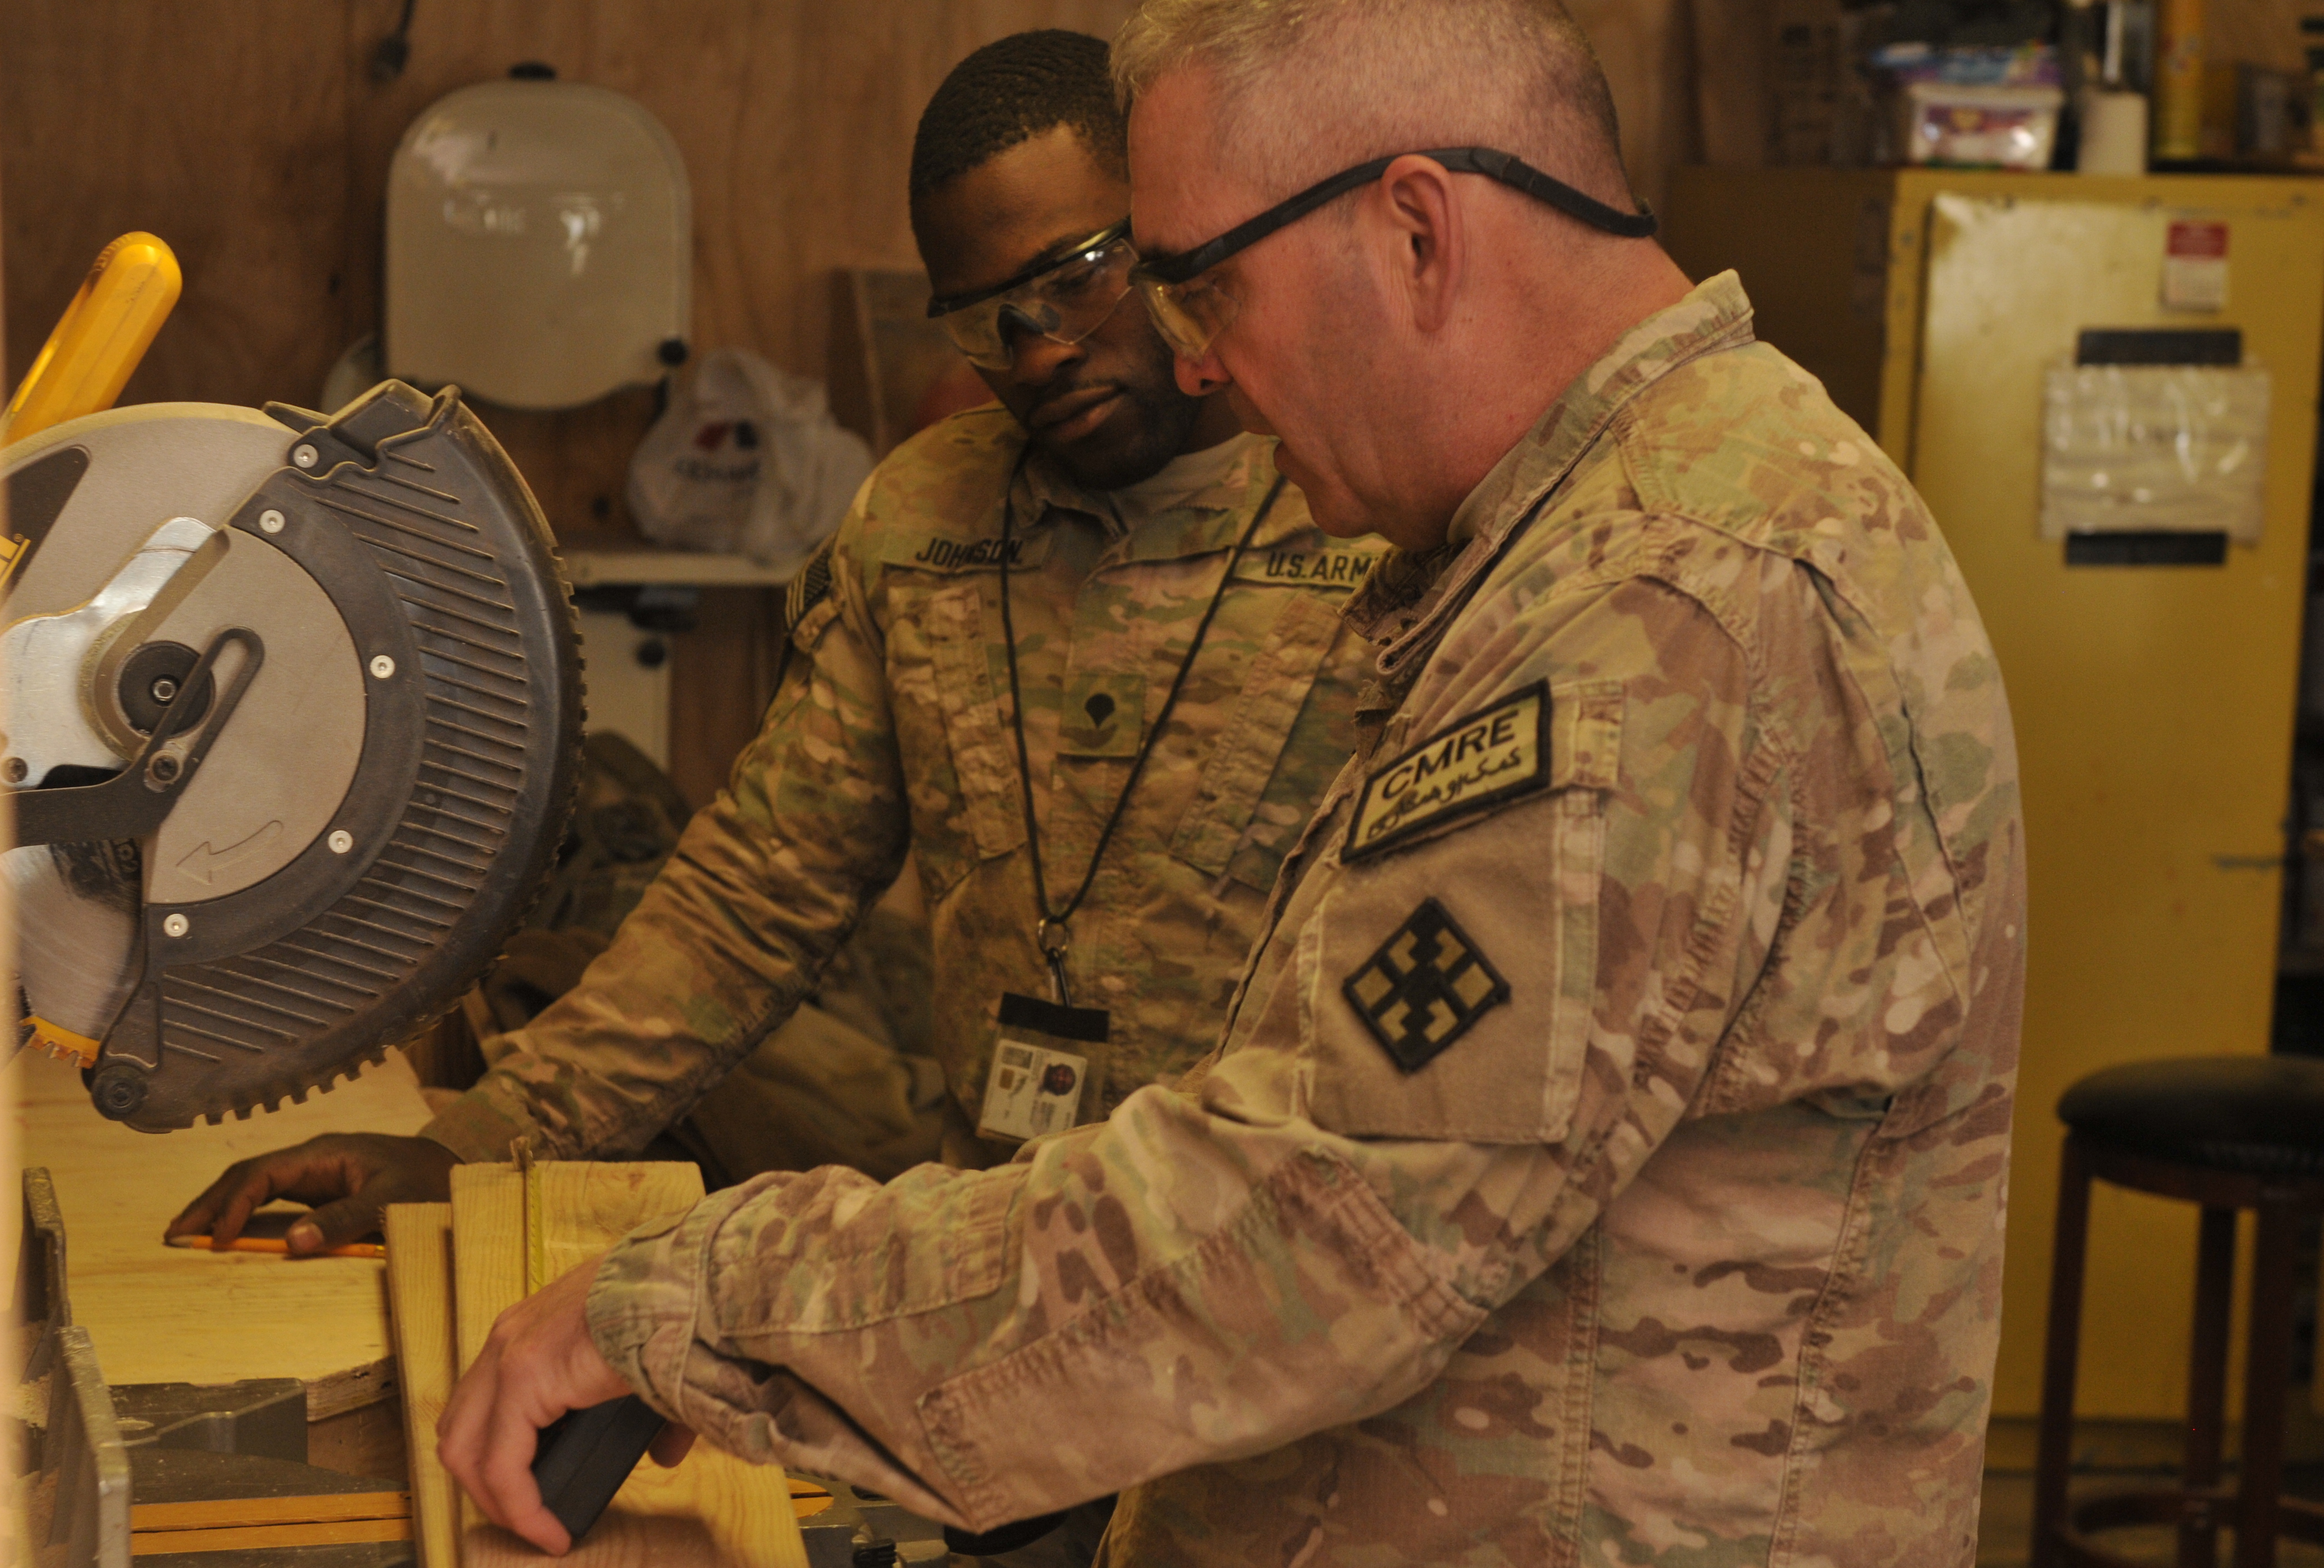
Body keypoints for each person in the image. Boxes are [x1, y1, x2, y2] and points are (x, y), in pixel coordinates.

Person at [436, 3, 2028, 1564]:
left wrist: (706, 1301)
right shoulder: (1583, 538)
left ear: (1417, 232)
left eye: (1203, 286)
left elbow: (1312, 1233)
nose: (1201, 363)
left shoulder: (1659, 603)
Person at [172, 10, 1379, 1481]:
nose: (1041, 348)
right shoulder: (928, 523)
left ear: (1174, 227)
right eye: (984, 316)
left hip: (1302, 1335)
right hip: (1012, 1313)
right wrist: (486, 1137)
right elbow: (758, 889)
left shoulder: (1359, 488)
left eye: (1080, 275)